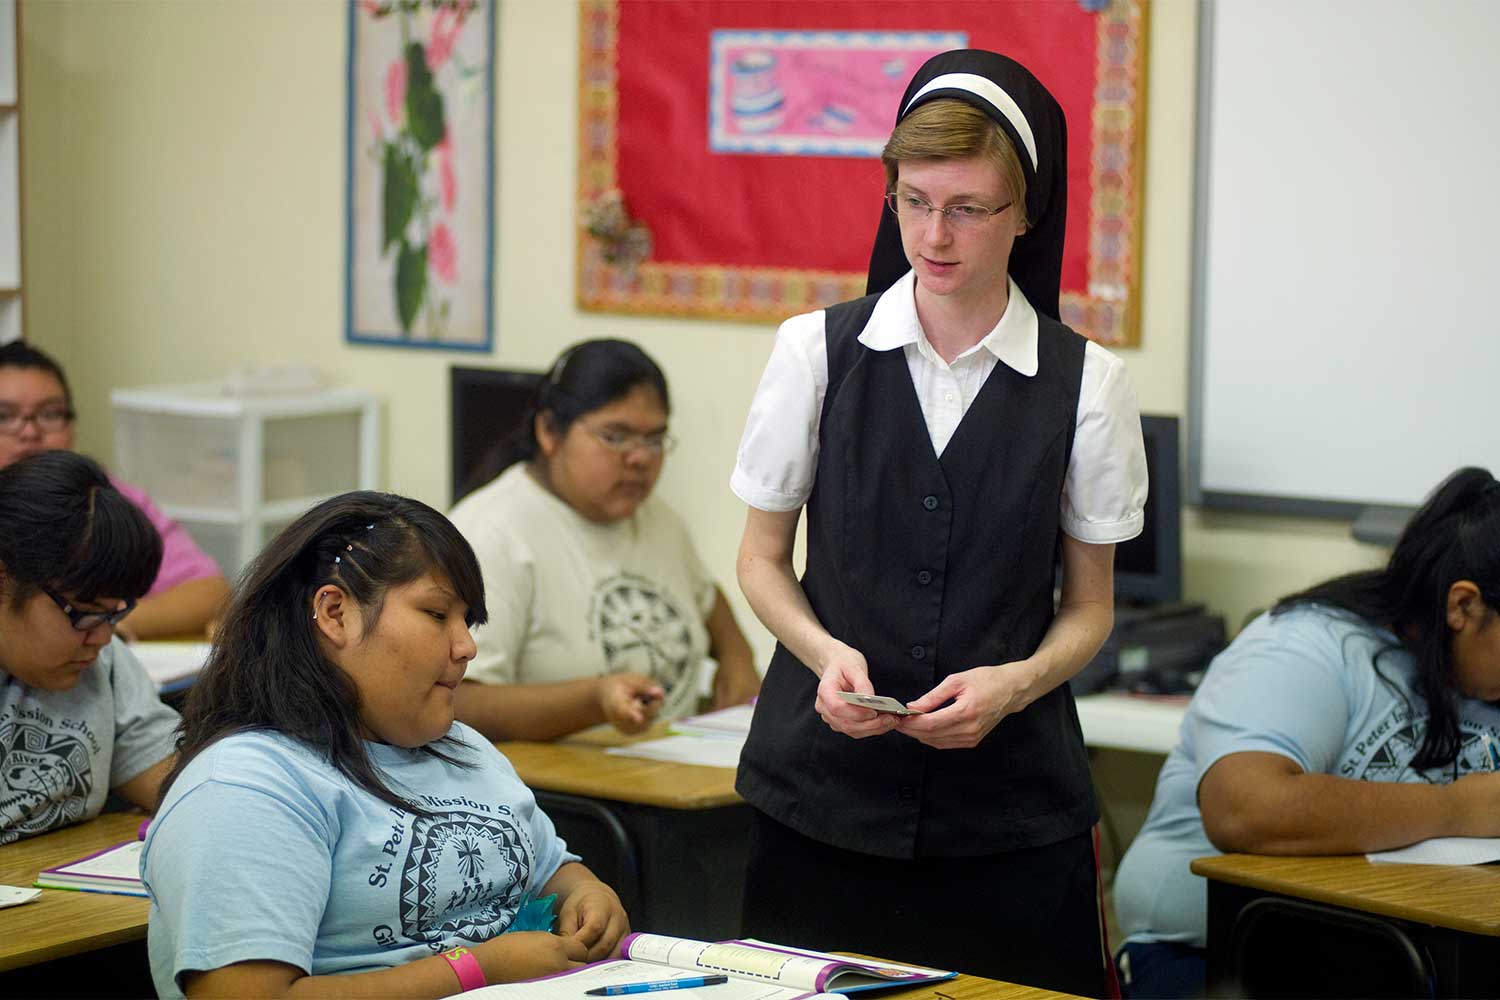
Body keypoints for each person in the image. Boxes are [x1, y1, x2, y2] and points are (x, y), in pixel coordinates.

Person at [730, 50, 1147, 995]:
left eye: (968, 208)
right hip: (820, 806)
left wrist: (1017, 683)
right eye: (913, 202)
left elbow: (1090, 609)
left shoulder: (1089, 385)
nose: (934, 235)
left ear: (1026, 211)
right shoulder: (814, 351)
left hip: (1008, 823)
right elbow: (761, 561)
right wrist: (822, 655)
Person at [142, 490, 629, 999]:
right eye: (437, 614)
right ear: (336, 613)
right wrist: (477, 970)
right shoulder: (248, 785)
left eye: (467, 622)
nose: (466, 646)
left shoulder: (463, 747)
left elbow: (551, 869)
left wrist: (586, 893)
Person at [1113, 466, 1500, 998]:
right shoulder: (1308, 645)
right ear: (1463, 606)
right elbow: (1244, 808)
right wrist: (1457, 808)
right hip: (1217, 954)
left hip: (1404, 954)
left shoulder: (1483, 672)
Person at [449, 339, 758, 741]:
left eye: (654, 439)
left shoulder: (656, 518)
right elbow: (460, 701)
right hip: (557, 779)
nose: (640, 458)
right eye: (615, 436)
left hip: (668, 767)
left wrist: (737, 658)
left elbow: (706, 597)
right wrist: (593, 701)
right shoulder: (491, 533)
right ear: (549, 431)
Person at [0, 450, 179, 844]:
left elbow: (177, 781)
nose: (102, 637)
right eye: (83, 612)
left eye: (113, 614)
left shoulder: (101, 663)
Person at [0, 341, 230, 639]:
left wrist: (99, 622)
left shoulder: (101, 499)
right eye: (4, 416)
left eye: (50, 414)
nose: (30, 432)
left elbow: (211, 591)